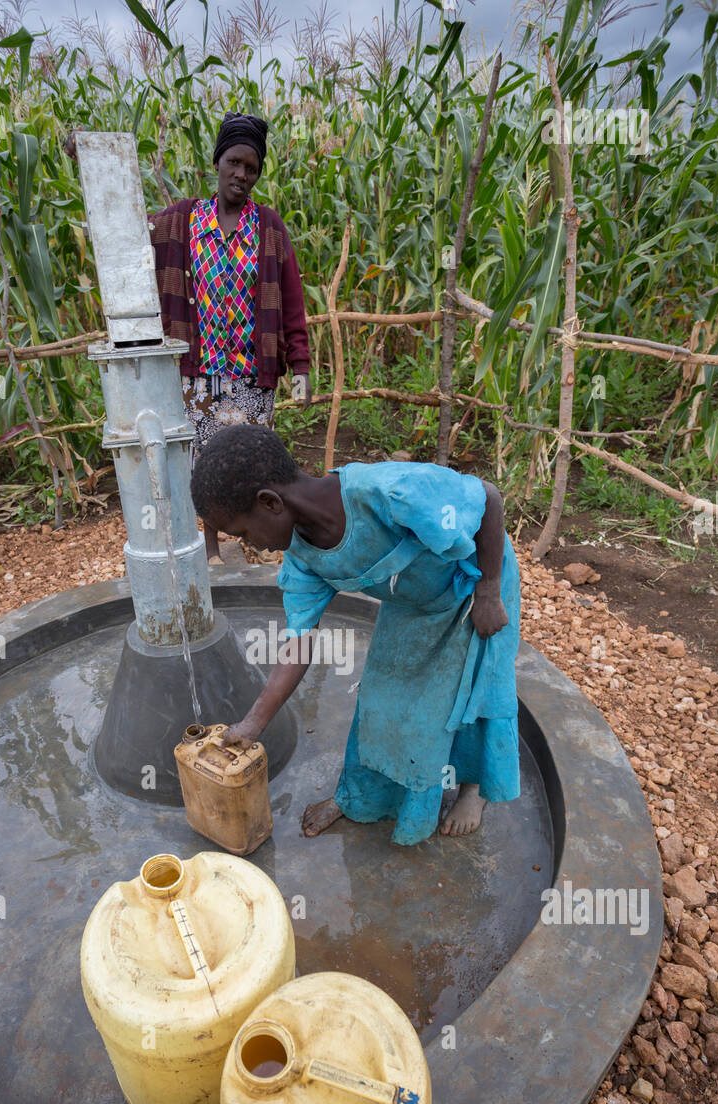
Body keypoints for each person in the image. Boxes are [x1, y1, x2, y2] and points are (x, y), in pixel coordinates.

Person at [189, 425, 521, 845]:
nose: (250, 545)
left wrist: (489, 590)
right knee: (381, 698)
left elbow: (487, 496)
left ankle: (473, 791)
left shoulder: (386, 492)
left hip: (474, 588)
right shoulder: (304, 558)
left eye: (244, 534)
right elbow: (299, 645)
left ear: (270, 503)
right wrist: (253, 722)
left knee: (473, 692)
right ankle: (360, 797)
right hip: (413, 605)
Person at [147, 112, 311, 564]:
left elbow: (292, 298)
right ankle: (213, 547)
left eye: (252, 168)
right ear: (217, 161)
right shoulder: (182, 221)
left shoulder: (269, 228)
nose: (242, 175)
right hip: (200, 375)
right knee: (206, 463)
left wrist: (299, 365)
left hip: (250, 374)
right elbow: (131, 229)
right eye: (234, 163)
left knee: (253, 462)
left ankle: (255, 543)